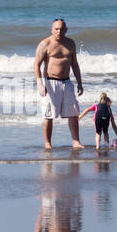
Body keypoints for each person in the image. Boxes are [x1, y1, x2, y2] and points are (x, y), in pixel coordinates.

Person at [33, 18, 84, 148]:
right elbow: (36, 65)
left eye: (61, 29)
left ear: (66, 30)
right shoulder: (45, 44)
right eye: (56, 29)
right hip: (50, 83)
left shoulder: (70, 43)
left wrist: (79, 83)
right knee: (48, 115)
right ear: (52, 29)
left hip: (66, 82)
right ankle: (48, 143)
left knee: (73, 113)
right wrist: (39, 84)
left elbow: (75, 64)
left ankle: (76, 141)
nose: (59, 31)